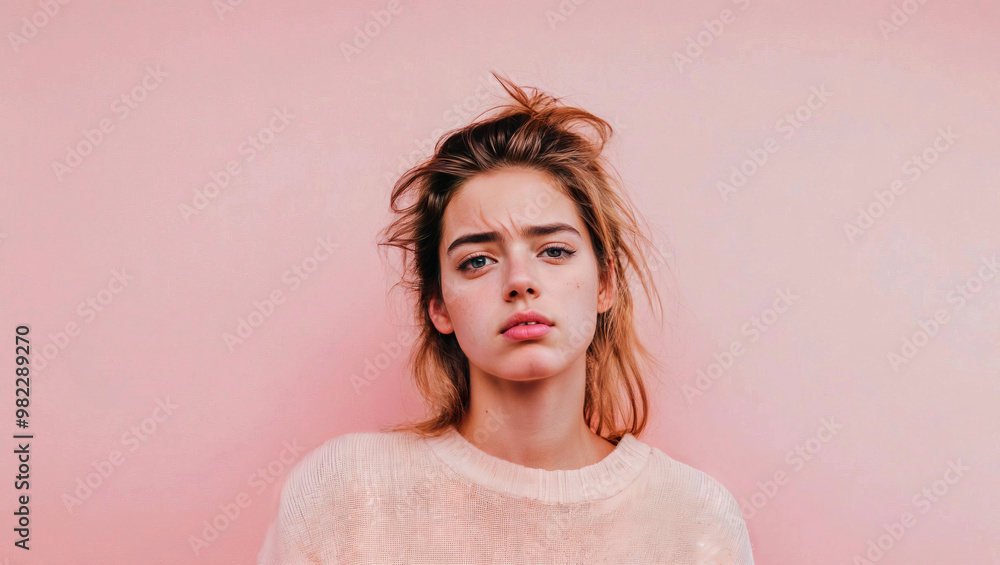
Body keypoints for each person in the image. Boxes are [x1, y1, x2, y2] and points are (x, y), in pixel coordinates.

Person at [257, 72, 755, 564]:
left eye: (554, 251)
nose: (520, 281)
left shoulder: (695, 522)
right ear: (439, 305)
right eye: (477, 260)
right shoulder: (343, 494)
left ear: (605, 283)